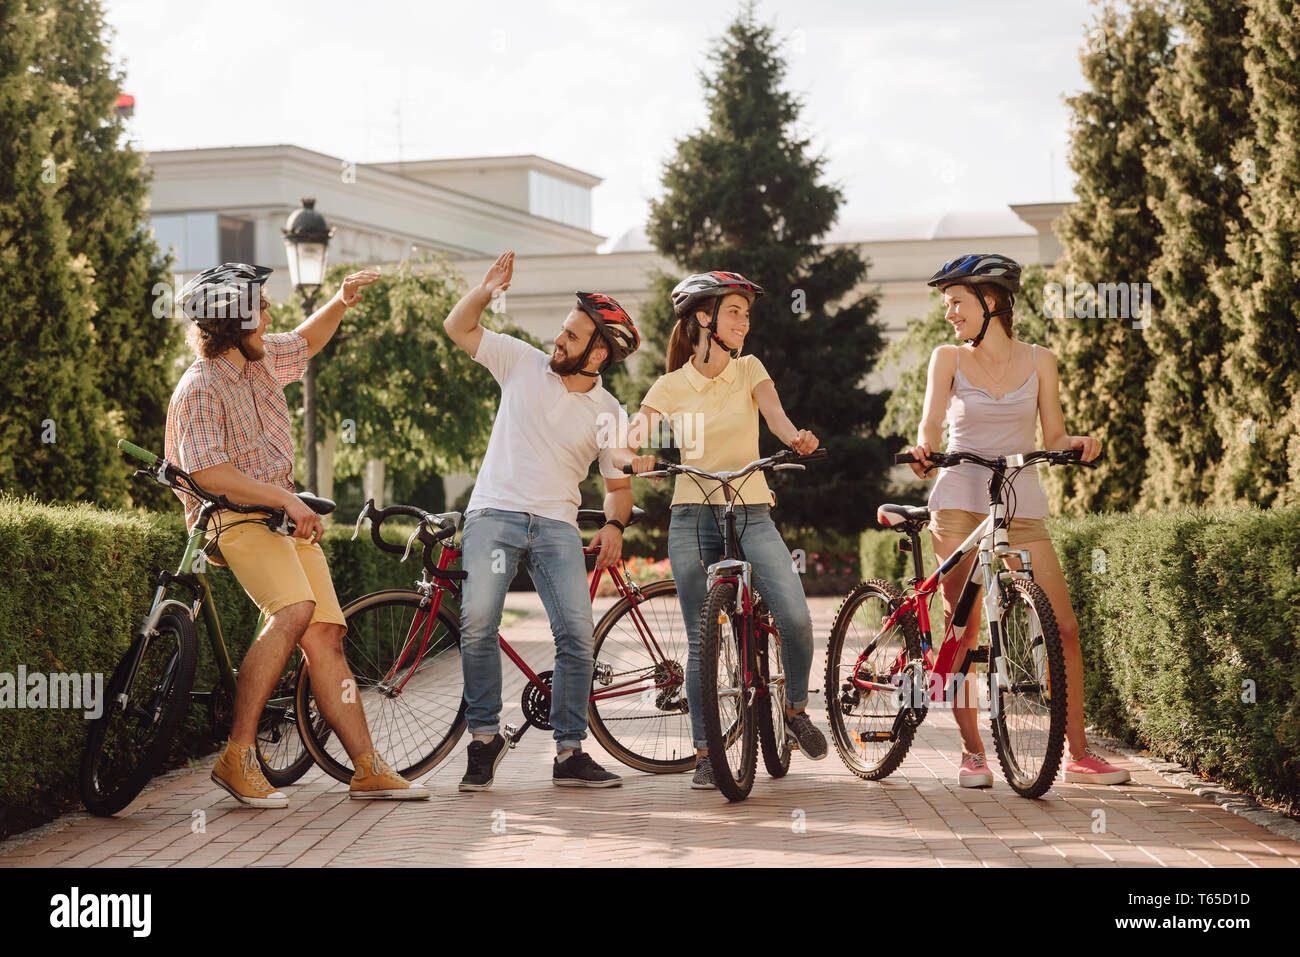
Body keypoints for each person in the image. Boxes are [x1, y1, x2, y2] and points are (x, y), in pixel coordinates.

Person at [166, 262, 429, 806]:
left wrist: (340, 299)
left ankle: (366, 767)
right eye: (260, 307)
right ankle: (238, 756)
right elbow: (208, 472)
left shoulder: (260, 363)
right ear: (233, 319)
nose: (270, 314)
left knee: (326, 633)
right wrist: (287, 498)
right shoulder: (200, 385)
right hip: (231, 519)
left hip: (279, 519)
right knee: (292, 611)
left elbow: (307, 340)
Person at [906, 253, 1130, 788]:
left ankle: (1077, 752)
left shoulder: (1040, 361)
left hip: (1021, 504)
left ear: (991, 301)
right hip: (960, 501)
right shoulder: (948, 359)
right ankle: (973, 753)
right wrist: (923, 449)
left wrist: (1077, 445)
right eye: (946, 304)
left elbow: (1053, 435)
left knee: (1065, 629)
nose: (949, 314)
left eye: (957, 302)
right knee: (962, 631)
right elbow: (931, 422)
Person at [443, 251, 641, 791]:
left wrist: (615, 526)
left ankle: (569, 753)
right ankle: (483, 742)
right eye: (562, 331)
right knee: (479, 621)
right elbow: (457, 326)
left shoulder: (609, 413)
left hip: (556, 524)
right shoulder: (521, 361)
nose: (559, 340)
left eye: (572, 337)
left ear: (599, 351)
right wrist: (485, 291)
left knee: (576, 636)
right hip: (495, 513)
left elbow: (619, 488)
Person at [624, 270, 827, 791]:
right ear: (702, 317)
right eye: (735, 312)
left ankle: (796, 706)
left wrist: (797, 437)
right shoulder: (670, 385)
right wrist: (635, 455)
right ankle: (706, 755)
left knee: (797, 619)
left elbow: (777, 419)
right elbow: (628, 440)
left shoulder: (749, 369)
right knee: (701, 640)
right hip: (692, 514)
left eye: (747, 313)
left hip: (751, 507)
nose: (745, 322)